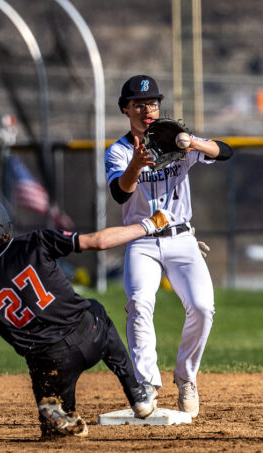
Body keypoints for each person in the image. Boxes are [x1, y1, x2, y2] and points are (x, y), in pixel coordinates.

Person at [0, 196, 172, 439]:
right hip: (90, 335)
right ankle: (136, 394)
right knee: (95, 308)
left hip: (51, 365)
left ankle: (59, 414)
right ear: (4, 224)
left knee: (54, 426)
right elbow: (98, 241)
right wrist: (149, 225)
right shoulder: (33, 243)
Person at [104, 74, 233, 417]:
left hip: (182, 238)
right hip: (141, 239)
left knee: (203, 308)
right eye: (140, 104)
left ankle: (186, 378)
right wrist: (136, 163)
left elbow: (225, 151)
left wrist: (192, 143)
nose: (148, 109)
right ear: (125, 109)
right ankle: (146, 383)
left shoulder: (174, 140)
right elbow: (120, 192)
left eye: (154, 103)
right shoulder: (117, 151)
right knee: (139, 303)